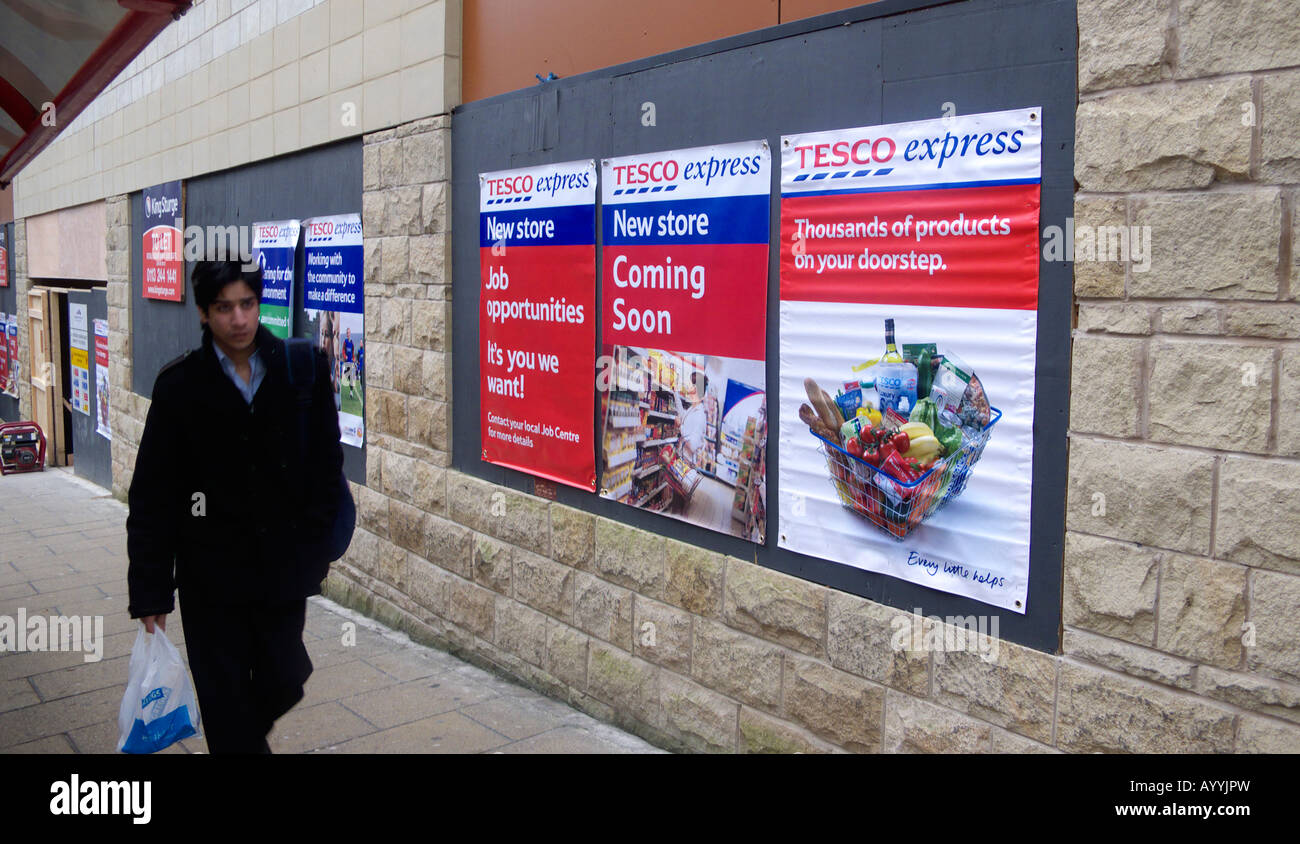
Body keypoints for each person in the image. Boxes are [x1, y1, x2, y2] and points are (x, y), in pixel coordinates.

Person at [126, 260, 344, 754]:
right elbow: (153, 495)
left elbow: (328, 469)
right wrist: (151, 590)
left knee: (283, 677)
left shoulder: (302, 367)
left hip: (282, 576)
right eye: (224, 308)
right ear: (204, 313)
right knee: (225, 709)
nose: (240, 319)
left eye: (247, 304)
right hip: (211, 584)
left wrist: (314, 551)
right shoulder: (180, 387)